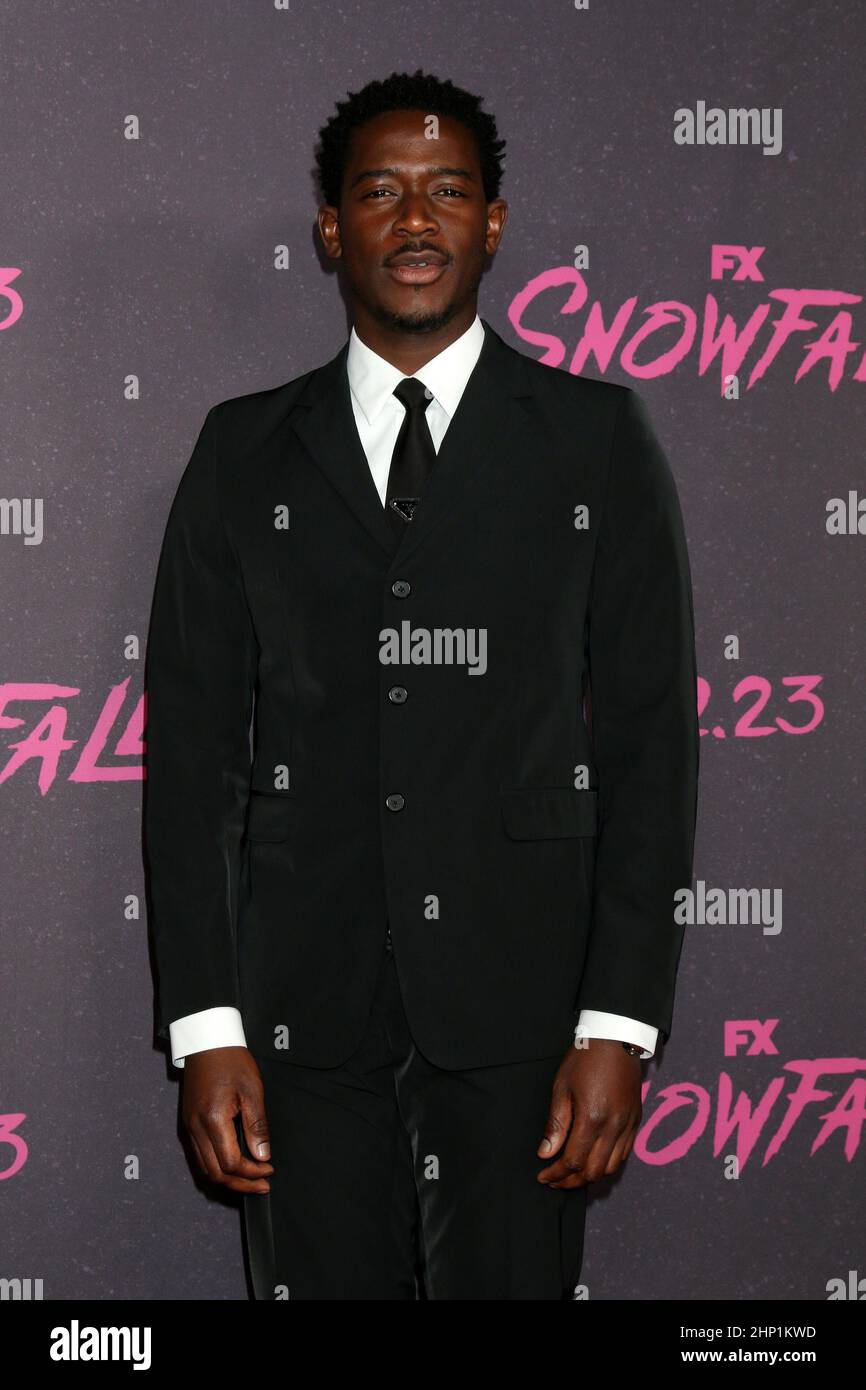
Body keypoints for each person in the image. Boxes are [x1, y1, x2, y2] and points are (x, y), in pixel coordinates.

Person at [143, 68, 700, 1301]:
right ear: (331, 228)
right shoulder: (241, 451)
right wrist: (207, 1027)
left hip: (523, 1020)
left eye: (447, 191)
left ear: (492, 223)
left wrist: (615, 1026)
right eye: (380, 192)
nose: (414, 220)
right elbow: (192, 760)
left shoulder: (594, 441)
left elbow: (651, 750)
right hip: (298, 1026)